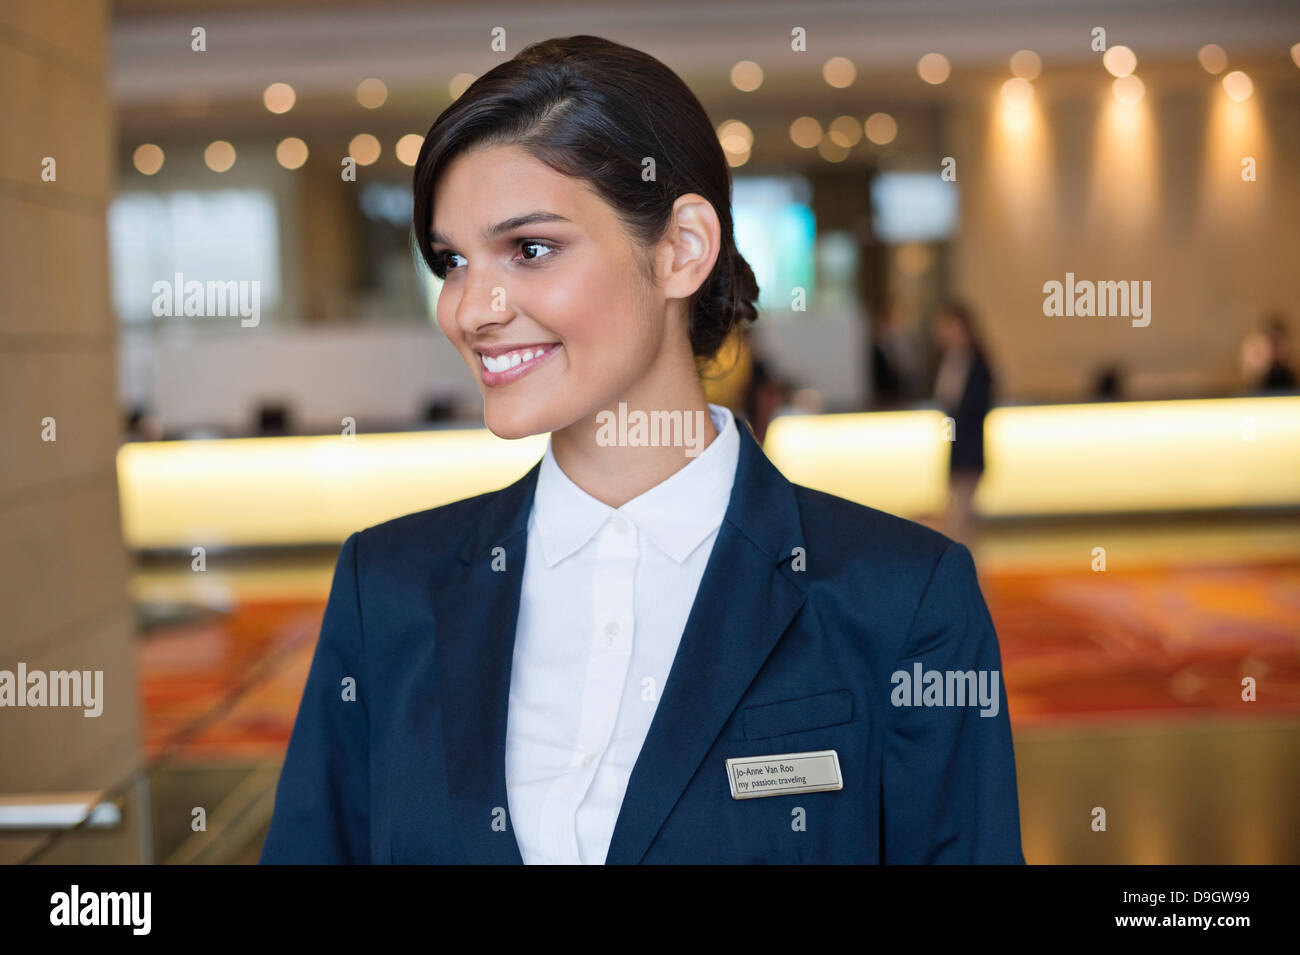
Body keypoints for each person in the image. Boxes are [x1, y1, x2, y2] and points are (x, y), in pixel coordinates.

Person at [260, 36, 1023, 865]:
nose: (471, 310)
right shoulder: (389, 590)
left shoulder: (902, 601)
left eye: (530, 249)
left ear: (681, 249)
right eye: (452, 261)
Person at [931, 301, 994, 547]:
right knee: (958, 519)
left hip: (969, 451)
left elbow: (974, 409)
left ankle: (964, 576)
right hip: (956, 449)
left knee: (960, 521)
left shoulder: (977, 364)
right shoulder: (949, 360)